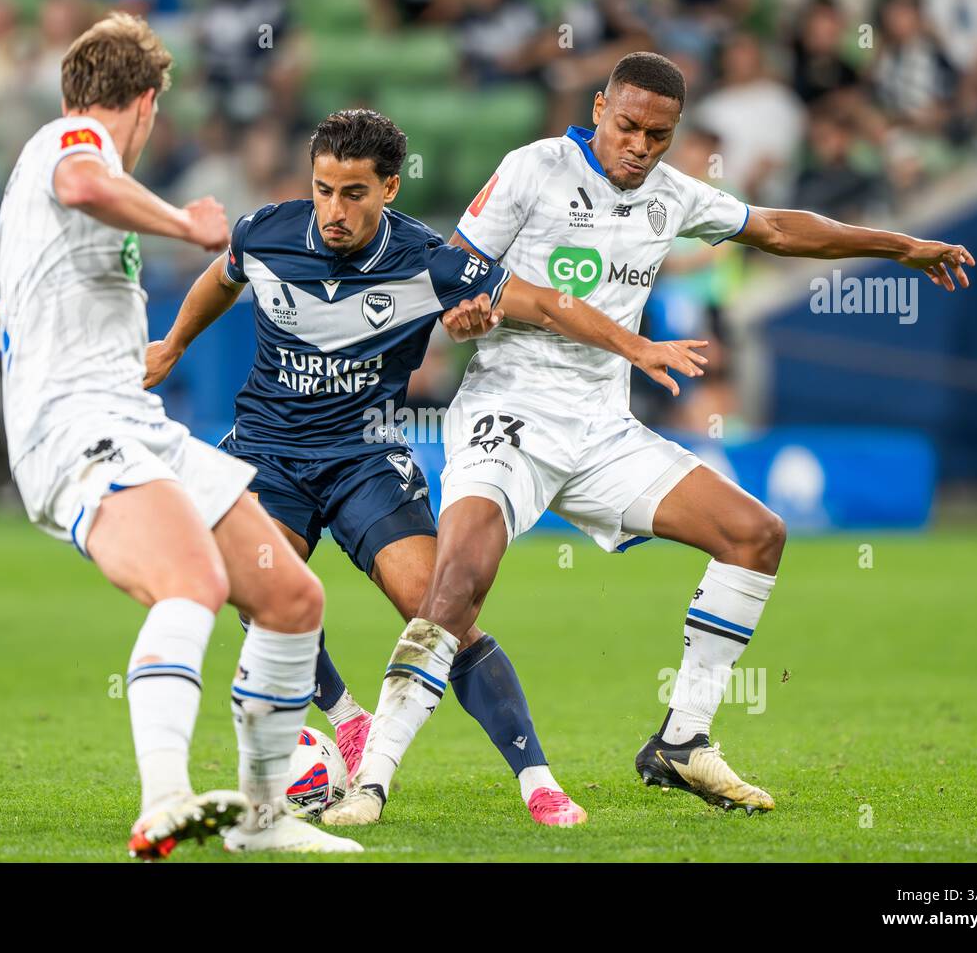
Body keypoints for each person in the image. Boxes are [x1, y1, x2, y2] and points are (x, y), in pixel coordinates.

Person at [327, 51, 974, 826]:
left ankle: (682, 738)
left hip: (603, 431)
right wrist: (467, 313)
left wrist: (899, 245)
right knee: (458, 582)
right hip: (510, 409)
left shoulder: (672, 195)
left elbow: (774, 227)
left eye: (657, 134)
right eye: (627, 125)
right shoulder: (533, 168)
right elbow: (457, 269)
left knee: (755, 534)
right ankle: (372, 778)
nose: (639, 145)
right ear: (599, 107)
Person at [147, 108, 705, 826]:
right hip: (267, 451)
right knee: (258, 591)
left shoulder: (430, 261)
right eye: (322, 190)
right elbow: (222, 277)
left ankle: (537, 778)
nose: (333, 211)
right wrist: (171, 346)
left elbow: (543, 302)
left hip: (364, 457)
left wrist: (634, 346)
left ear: (389, 189)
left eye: (353, 193)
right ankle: (348, 716)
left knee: (440, 613)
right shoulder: (266, 232)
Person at [0, 12, 360, 857]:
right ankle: (164, 801)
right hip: (78, 431)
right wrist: (186, 223)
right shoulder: (71, 147)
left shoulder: (25, 197)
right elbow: (88, 182)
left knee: (293, 600)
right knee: (189, 582)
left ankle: (263, 821)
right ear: (148, 102)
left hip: (135, 426)